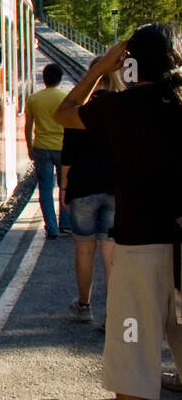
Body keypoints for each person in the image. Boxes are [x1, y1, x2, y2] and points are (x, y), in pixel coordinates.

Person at [54, 23, 182, 400]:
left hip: (139, 252)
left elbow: (68, 113)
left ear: (130, 66)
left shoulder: (119, 108)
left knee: (133, 355)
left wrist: (96, 69)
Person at [59, 57, 123, 323]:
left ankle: (84, 306)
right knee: (111, 253)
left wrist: (63, 188)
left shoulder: (80, 110)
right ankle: (113, 315)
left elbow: (68, 157)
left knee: (84, 249)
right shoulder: (122, 110)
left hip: (83, 187)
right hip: (115, 188)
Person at [26, 63, 72, 238]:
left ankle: (51, 228)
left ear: (44, 79)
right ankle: (65, 224)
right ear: (59, 78)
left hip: (42, 147)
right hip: (63, 148)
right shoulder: (65, 97)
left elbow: (28, 127)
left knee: (45, 187)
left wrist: (30, 148)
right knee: (65, 186)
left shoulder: (33, 99)